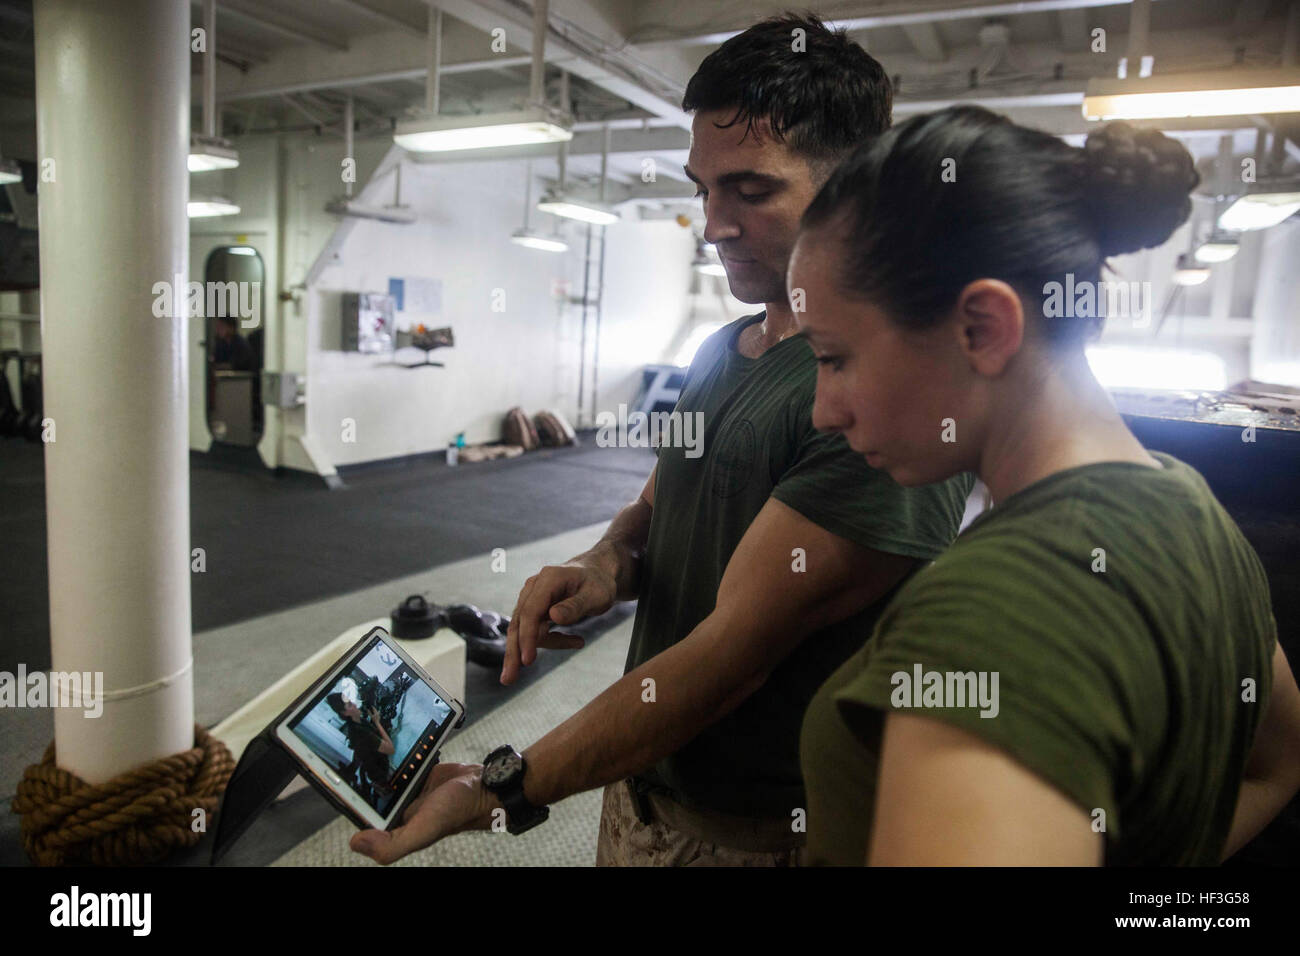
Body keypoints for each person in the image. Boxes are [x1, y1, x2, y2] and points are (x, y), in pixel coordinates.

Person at [348, 14, 973, 866]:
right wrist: (606, 564)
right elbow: (660, 505)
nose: (712, 225)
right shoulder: (722, 348)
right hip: (643, 787)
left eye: (750, 191)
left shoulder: (882, 397)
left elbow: (729, 658)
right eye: (703, 190)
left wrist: (500, 787)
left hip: (763, 832)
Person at [789, 105, 1300, 864]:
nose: (822, 411)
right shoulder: (1196, 513)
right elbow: (1277, 766)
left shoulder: (997, 606)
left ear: (984, 328)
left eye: (834, 358)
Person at [328, 691, 396, 797]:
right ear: (345, 713)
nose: (355, 705)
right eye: (350, 705)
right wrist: (377, 722)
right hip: (382, 778)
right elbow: (390, 749)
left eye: (351, 702)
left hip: (381, 770)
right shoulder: (358, 732)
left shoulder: (359, 722)